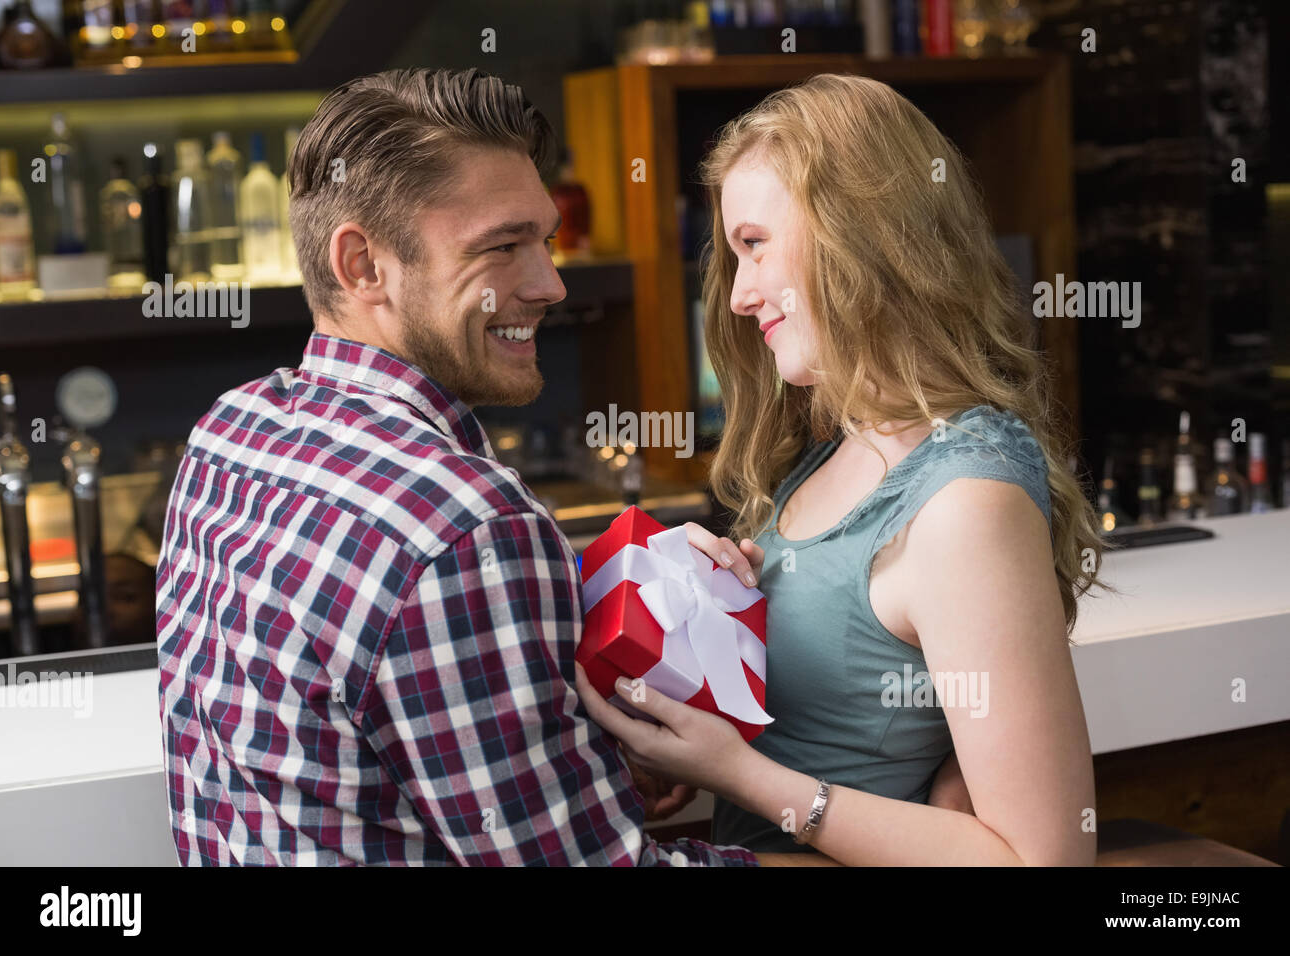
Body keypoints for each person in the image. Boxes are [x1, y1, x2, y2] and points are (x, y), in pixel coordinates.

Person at [159, 67, 964, 865]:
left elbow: (363, 765)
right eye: (502, 247)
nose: (548, 284)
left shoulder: (229, 435)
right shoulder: (465, 529)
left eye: (542, 241)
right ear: (363, 265)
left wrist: (588, 766)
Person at [578, 74, 1103, 865]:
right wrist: (703, 673)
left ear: (860, 232)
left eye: (754, 245)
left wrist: (740, 774)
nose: (741, 295)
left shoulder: (965, 503)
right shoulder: (837, 446)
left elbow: (1042, 859)